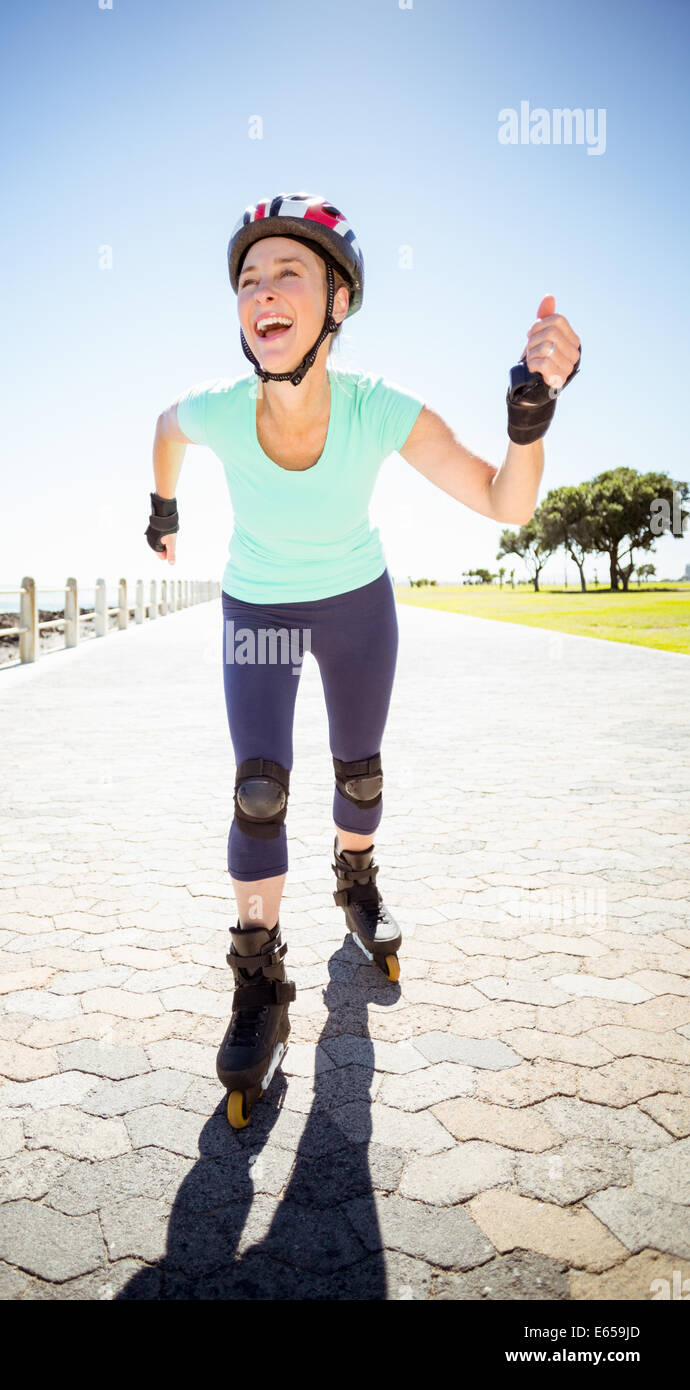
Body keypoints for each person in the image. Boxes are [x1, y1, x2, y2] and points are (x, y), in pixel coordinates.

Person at [145, 192, 581, 1128]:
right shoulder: (221, 410)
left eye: (288, 272)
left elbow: (508, 505)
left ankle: (357, 877)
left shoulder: (380, 409)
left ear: (337, 302)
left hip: (354, 603)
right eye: (249, 278)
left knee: (361, 777)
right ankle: (258, 979)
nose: (263, 291)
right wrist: (163, 508)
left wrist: (531, 418)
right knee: (258, 787)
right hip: (257, 601)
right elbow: (165, 429)